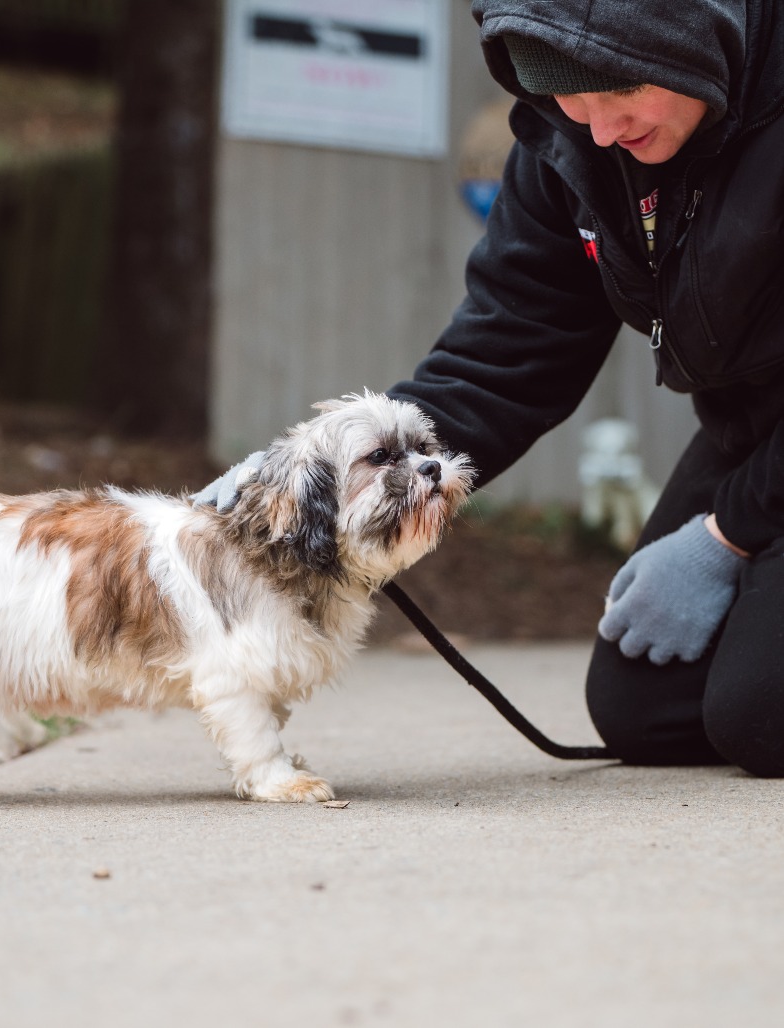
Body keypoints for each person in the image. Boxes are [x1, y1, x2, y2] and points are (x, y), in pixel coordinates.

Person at [198, 0, 784, 777]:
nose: (601, 130)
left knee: (759, 715)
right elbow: (514, 340)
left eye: (618, 92)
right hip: (752, 429)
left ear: (689, 38)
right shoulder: (574, 139)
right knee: (643, 709)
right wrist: (343, 472)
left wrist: (728, 534)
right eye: (568, 98)